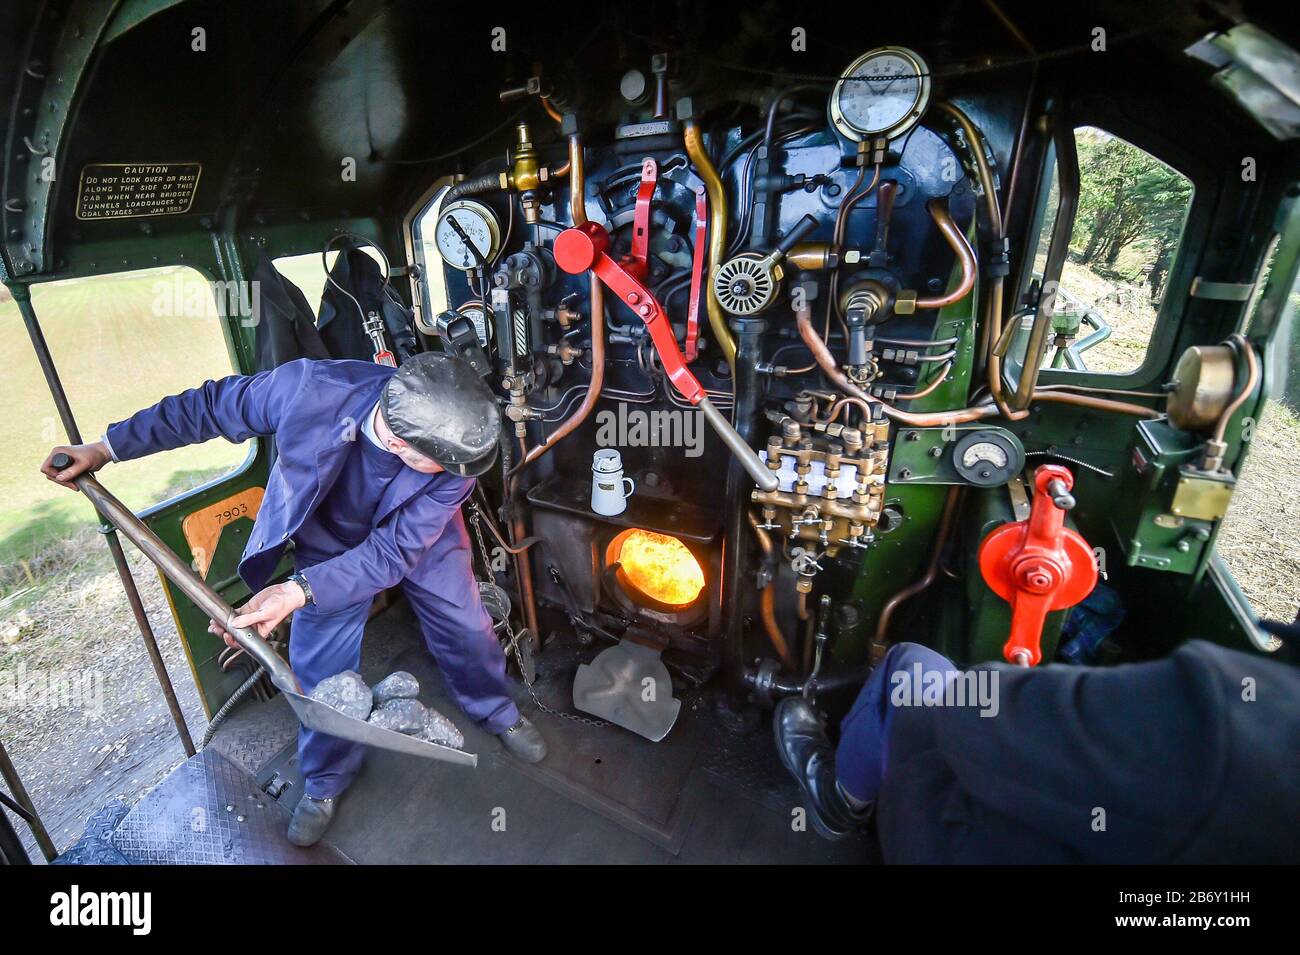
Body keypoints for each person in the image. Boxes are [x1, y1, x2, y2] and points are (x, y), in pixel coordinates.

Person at [42, 353, 547, 847]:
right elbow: (209, 407)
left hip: (420, 540)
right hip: (328, 541)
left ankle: (496, 710)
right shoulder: (307, 390)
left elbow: (392, 552)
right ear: (395, 440)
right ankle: (326, 781)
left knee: (465, 624)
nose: (448, 473)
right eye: (434, 465)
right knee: (320, 673)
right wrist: (107, 447)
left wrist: (295, 591)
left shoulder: (453, 462)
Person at [774, 639, 1300, 863]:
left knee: (915, 666)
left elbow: (974, 723)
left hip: (955, 849)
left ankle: (842, 801)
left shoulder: (1226, 714)